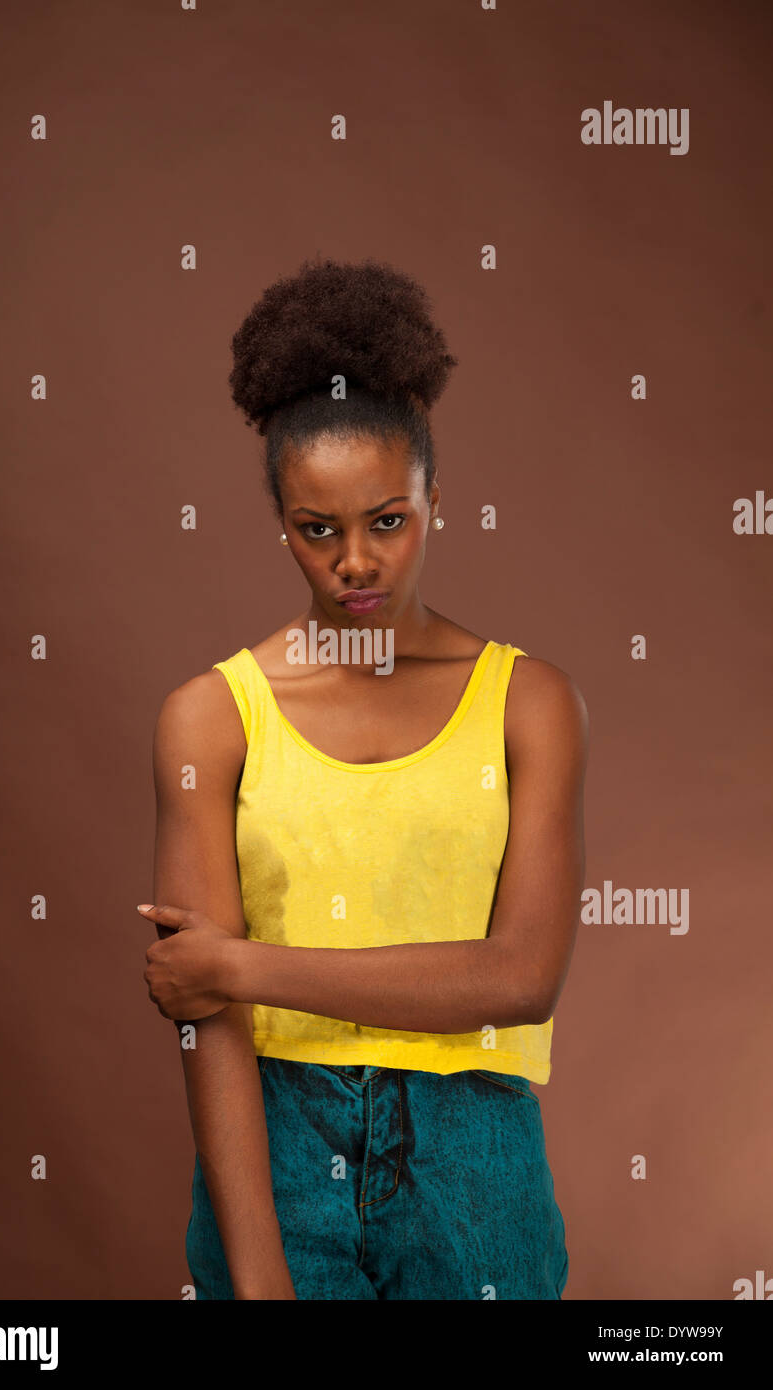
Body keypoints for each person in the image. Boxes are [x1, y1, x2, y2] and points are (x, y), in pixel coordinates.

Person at [139, 257, 589, 1300]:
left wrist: (243, 967)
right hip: (276, 1146)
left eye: (387, 520)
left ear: (435, 501)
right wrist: (259, 1283)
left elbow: (519, 975)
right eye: (317, 529)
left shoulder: (528, 703)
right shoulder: (212, 715)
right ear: (280, 523)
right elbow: (205, 1026)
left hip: (473, 1155)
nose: (355, 563)